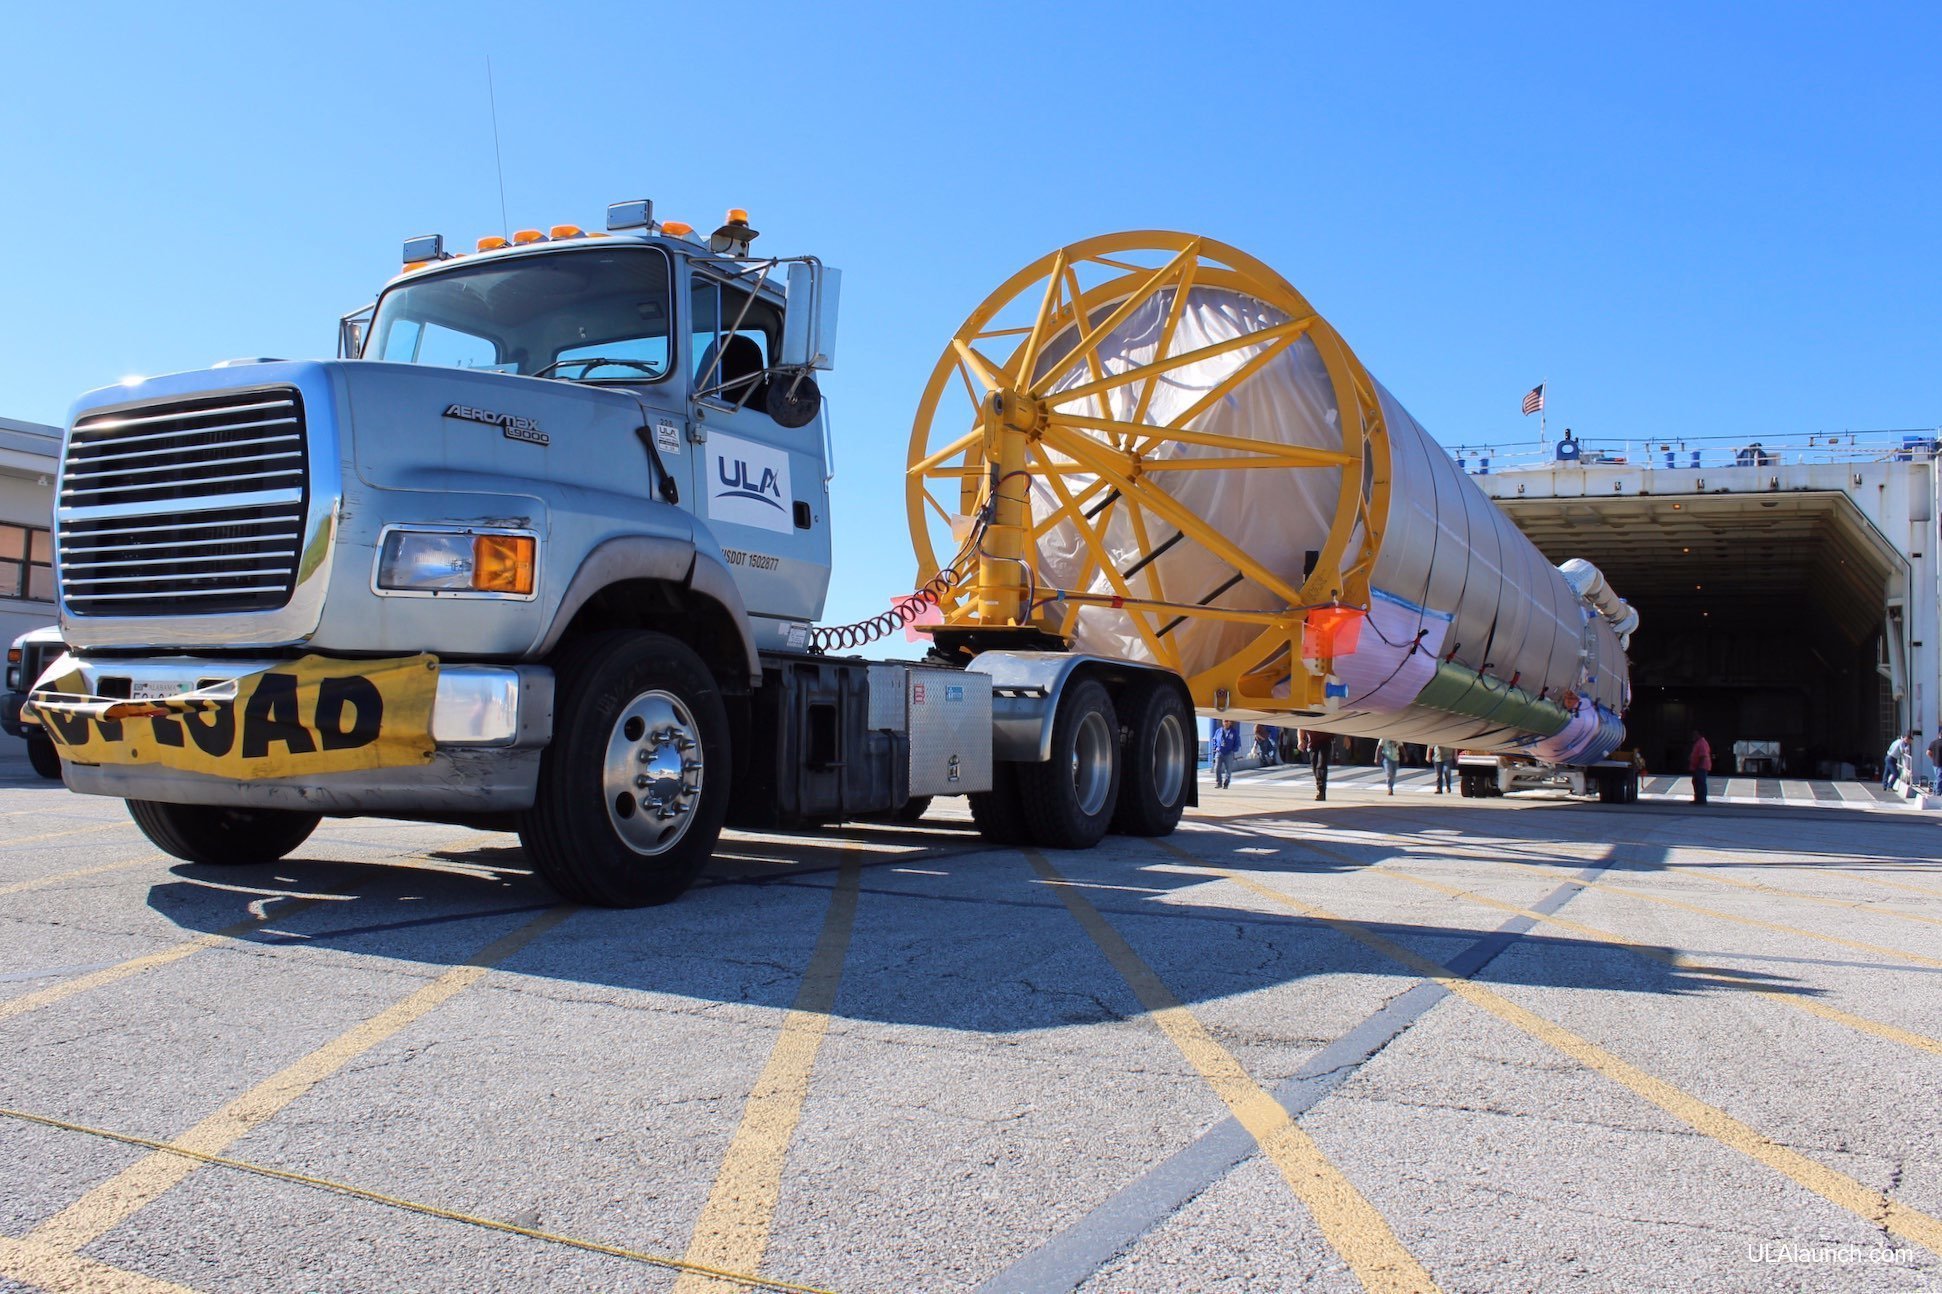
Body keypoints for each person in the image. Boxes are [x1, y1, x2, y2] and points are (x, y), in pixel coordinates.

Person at [1300, 728, 1330, 801]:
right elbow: (1301, 726)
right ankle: (1320, 788)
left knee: (1321, 765)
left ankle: (1321, 790)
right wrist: (1300, 740)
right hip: (1313, 743)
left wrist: (1346, 737)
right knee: (1314, 765)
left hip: (1326, 740)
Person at [1211, 719, 1240, 790]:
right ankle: (1218, 783)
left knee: (1228, 769)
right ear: (1223, 722)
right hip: (1219, 752)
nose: (1226, 723)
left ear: (1230, 722)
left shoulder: (1233, 732)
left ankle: (1226, 783)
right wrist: (1215, 747)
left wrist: (1234, 750)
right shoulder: (1218, 731)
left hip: (1229, 753)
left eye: (1228, 721)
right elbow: (1214, 740)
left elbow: (1237, 742)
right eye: (1225, 721)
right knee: (1217, 768)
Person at [1689, 729, 1712, 805]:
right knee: (1696, 782)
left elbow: (1703, 756)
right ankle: (1698, 798)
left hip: (1701, 766)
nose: (1693, 736)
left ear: (1698, 734)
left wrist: (1699, 766)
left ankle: (1702, 799)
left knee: (1701, 782)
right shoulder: (1699, 743)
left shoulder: (1702, 743)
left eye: (1695, 734)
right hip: (1698, 766)